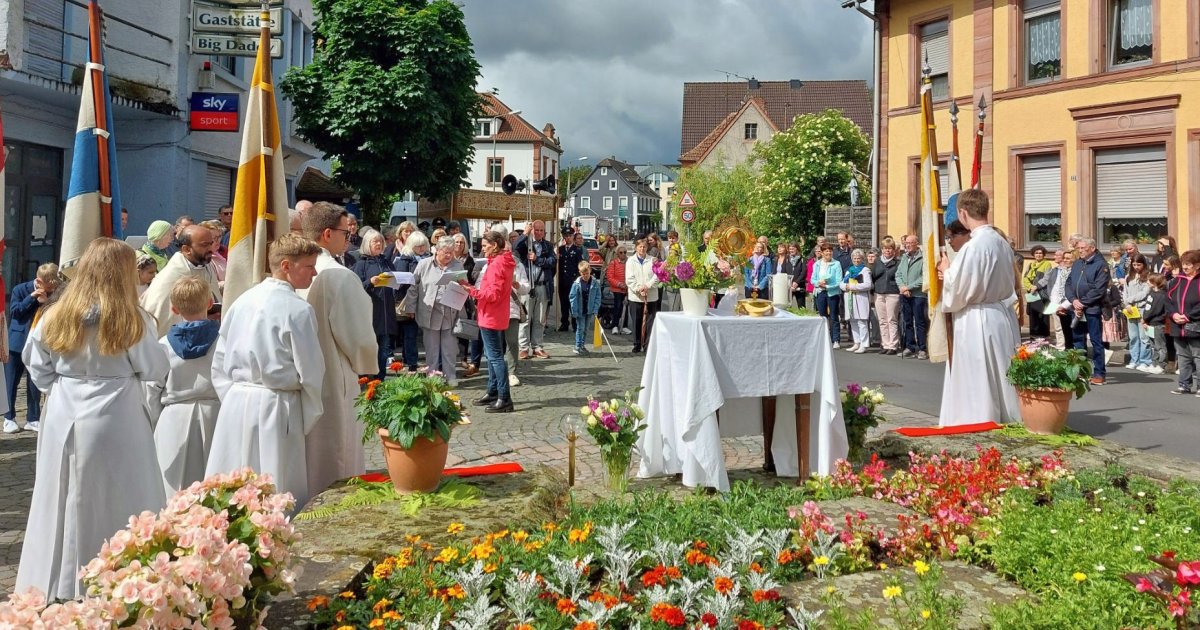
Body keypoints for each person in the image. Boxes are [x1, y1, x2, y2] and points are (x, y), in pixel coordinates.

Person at [16, 238, 169, 600]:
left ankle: (56, 580)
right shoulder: (132, 317)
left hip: (64, 409)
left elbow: (35, 363)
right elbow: (154, 368)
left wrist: (63, 384)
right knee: (118, 494)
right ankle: (118, 575)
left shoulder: (56, 313)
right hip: (116, 412)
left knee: (60, 491)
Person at [206, 234, 326, 509]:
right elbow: (310, 370)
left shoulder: (241, 301)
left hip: (236, 404)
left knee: (234, 483)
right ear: (286, 265)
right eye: (309, 266)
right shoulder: (298, 310)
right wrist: (304, 414)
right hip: (277, 405)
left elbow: (220, 361)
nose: (314, 272)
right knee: (275, 485)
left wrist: (234, 396)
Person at [300, 202, 377, 497]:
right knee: (337, 449)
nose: (350, 239)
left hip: (301, 377)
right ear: (327, 234)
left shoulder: (292, 271)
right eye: (346, 233)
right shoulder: (339, 276)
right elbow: (358, 338)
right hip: (333, 373)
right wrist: (368, 365)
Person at [936, 189, 1021, 426]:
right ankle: (1004, 417)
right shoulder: (1000, 242)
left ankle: (977, 420)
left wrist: (946, 271)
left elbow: (960, 290)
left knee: (979, 376)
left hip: (977, 318)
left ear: (963, 213)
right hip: (1000, 316)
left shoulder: (974, 247)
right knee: (1000, 374)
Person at [148, 276, 221, 496]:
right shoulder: (222, 340)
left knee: (173, 492)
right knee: (215, 485)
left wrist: (154, 423)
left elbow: (152, 390)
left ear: (174, 308)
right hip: (214, 416)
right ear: (209, 303)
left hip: (174, 419)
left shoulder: (162, 346)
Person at [463, 231, 516, 413]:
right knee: (493, 356)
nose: (482, 249)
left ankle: (504, 397)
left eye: (485, 246)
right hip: (495, 314)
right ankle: (493, 391)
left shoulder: (497, 264)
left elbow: (492, 295)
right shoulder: (502, 261)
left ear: (494, 245)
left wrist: (470, 290)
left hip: (491, 315)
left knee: (495, 358)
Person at [5, 263, 60, 434]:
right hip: (18, 342)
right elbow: (15, 312)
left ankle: (33, 418)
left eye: (53, 288)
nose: (50, 290)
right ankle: (9, 417)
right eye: (48, 287)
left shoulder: (55, 292)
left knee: (35, 381)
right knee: (11, 382)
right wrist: (32, 298)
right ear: (38, 281)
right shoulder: (20, 289)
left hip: (41, 343)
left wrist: (47, 302)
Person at [401, 236, 465, 384]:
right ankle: (433, 378)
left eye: (451, 252)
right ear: (437, 250)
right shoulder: (424, 264)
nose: (449, 255)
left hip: (450, 312)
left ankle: (451, 377)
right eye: (445, 252)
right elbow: (413, 287)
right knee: (431, 348)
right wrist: (410, 307)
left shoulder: (457, 265)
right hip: (430, 312)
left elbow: (464, 285)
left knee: (449, 348)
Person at [140, 224, 223, 337]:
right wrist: (199, 320)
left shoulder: (205, 265)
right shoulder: (170, 279)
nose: (210, 249)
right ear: (186, 249)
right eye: (204, 245)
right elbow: (163, 324)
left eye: (210, 244)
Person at [1065, 237, 1112, 385]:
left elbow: (1099, 289)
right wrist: (1073, 300)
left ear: (1092, 248)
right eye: (1078, 248)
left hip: (1092, 309)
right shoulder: (1078, 263)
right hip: (1076, 308)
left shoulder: (1101, 265)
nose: (1080, 251)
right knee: (1078, 341)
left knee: (1096, 341)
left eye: (1083, 248)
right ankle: (1081, 371)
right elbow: (1069, 283)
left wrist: (1083, 302)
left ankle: (1099, 373)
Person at [353, 228, 397, 381]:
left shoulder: (387, 262)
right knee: (367, 347)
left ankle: (380, 379)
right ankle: (364, 378)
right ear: (367, 244)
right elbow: (355, 287)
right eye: (375, 241)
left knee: (384, 348)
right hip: (370, 312)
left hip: (386, 312)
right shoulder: (361, 264)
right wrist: (370, 282)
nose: (379, 244)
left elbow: (395, 281)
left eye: (380, 241)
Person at [515, 220, 556, 359]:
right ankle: (523, 347)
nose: (539, 232)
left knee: (539, 319)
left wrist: (538, 259)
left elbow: (552, 261)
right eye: (536, 230)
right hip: (527, 286)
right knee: (526, 319)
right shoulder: (526, 244)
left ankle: (537, 346)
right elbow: (515, 246)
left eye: (541, 230)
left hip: (542, 285)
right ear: (532, 230)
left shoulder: (548, 245)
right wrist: (525, 234)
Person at [392, 231, 429, 373]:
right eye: (418, 246)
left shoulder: (427, 258)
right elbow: (400, 282)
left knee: (412, 333)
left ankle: (410, 360)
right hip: (408, 300)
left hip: (422, 300)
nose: (421, 248)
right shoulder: (404, 260)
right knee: (410, 333)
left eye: (423, 245)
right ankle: (411, 362)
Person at [1165, 250, 1200, 395]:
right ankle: (1184, 384)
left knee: (1198, 356)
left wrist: (1187, 316)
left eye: (1188, 265)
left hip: (1195, 325)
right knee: (1183, 356)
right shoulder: (1177, 280)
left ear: (1197, 265)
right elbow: (1168, 299)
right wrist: (1173, 314)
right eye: (1183, 264)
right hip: (1177, 325)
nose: (1184, 267)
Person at [895, 234, 928, 359]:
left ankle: (922, 349)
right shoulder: (904, 257)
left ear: (916, 243)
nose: (907, 245)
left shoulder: (923, 257)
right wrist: (902, 287)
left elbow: (924, 277)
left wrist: (909, 287)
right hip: (905, 294)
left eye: (910, 243)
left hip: (918, 295)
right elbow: (898, 274)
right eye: (906, 243)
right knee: (907, 321)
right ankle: (910, 346)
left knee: (919, 322)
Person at [625, 238, 660, 354]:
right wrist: (639, 289)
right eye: (640, 247)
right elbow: (629, 279)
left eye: (644, 247)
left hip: (651, 296)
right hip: (636, 296)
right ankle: (636, 344)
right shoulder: (630, 261)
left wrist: (647, 286)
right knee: (636, 321)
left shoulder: (653, 260)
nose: (642, 249)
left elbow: (658, 276)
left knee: (649, 322)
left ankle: (647, 345)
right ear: (636, 248)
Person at [1121, 254, 1153, 371]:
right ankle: (1134, 359)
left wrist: (1130, 300)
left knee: (1144, 337)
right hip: (1130, 309)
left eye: (1138, 264)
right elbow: (1125, 292)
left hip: (1142, 308)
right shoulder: (1129, 277)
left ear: (1143, 264)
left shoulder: (1147, 276)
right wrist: (1127, 303)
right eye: (1134, 264)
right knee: (1133, 337)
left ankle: (1145, 360)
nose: (1136, 267)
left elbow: (1145, 293)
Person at [840, 249, 873, 353]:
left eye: (858, 258)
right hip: (850, 297)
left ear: (862, 259)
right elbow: (842, 283)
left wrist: (854, 286)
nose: (856, 260)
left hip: (860, 298)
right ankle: (857, 342)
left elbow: (868, 285)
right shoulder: (849, 270)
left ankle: (864, 344)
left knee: (861, 322)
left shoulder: (865, 270)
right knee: (853, 321)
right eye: (854, 258)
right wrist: (845, 286)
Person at [871, 237, 901, 355]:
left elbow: (898, 277)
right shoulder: (877, 262)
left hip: (892, 293)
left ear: (893, 250)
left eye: (889, 249)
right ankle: (885, 344)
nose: (887, 251)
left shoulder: (897, 262)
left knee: (891, 320)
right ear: (882, 250)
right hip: (879, 293)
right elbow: (873, 275)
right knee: (882, 320)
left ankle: (893, 345)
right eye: (885, 249)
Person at [810, 244, 843, 348]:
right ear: (822, 252)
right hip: (820, 292)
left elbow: (839, 281)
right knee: (822, 316)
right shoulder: (817, 264)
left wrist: (828, 286)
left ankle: (836, 339)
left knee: (834, 316)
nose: (828, 253)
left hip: (832, 292)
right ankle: (824, 339)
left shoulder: (836, 264)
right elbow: (812, 279)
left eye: (830, 251)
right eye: (826, 251)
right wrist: (818, 284)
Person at [1045, 249, 1076, 350]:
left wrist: (1064, 305)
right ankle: (1061, 347)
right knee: (1059, 327)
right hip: (1056, 302)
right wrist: (1053, 301)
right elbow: (1055, 286)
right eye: (1064, 258)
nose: (1065, 260)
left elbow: (1073, 290)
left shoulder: (1075, 272)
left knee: (1072, 331)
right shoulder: (1060, 271)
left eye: (1068, 258)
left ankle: (1072, 350)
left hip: (1070, 305)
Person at [569, 261, 601, 355]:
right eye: (583, 274)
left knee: (586, 328)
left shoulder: (595, 283)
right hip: (580, 310)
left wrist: (595, 309)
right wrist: (574, 310)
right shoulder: (576, 283)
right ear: (580, 273)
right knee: (580, 328)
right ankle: (577, 345)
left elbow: (598, 297)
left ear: (590, 271)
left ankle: (582, 345)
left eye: (587, 273)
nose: (586, 275)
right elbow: (572, 297)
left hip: (589, 310)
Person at [1023, 245, 1053, 340]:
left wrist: (1036, 286)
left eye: (1040, 253)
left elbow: (1047, 278)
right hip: (1032, 293)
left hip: (1041, 293)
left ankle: (1044, 337)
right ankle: (1033, 336)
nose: (1038, 255)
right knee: (1033, 314)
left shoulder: (1047, 264)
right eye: (1036, 253)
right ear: (1033, 254)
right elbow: (1025, 278)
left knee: (1042, 315)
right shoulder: (1030, 265)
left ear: (1044, 254)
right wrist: (1030, 287)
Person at [1142, 273, 1170, 375]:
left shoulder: (1163, 295)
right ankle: (1154, 363)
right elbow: (1147, 308)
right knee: (1153, 345)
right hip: (1150, 323)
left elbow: (1157, 310)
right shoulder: (1151, 293)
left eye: (1149, 280)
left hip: (1158, 323)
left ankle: (1161, 365)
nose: (1147, 282)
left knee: (1160, 345)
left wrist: (1146, 319)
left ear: (1155, 282)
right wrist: (1145, 320)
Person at [557, 231, 583, 331]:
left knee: (573, 303)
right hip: (562, 281)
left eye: (570, 236)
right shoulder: (560, 249)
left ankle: (575, 323)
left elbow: (580, 266)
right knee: (563, 303)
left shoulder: (577, 250)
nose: (568, 238)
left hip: (572, 281)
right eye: (566, 236)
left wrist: (577, 280)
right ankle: (564, 323)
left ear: (573, 237)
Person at [782, 242, 809, 309]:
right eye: (790, 249)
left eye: (793, 249)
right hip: (788, 286)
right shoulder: (786, 259)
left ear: (797, 249)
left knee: (801, 307)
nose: (791, 250)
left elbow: (803, 272)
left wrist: (797, 282)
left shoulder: (803, 259)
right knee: (787, 307)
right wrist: (789, 283)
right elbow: (783, 271)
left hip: (800, 286)